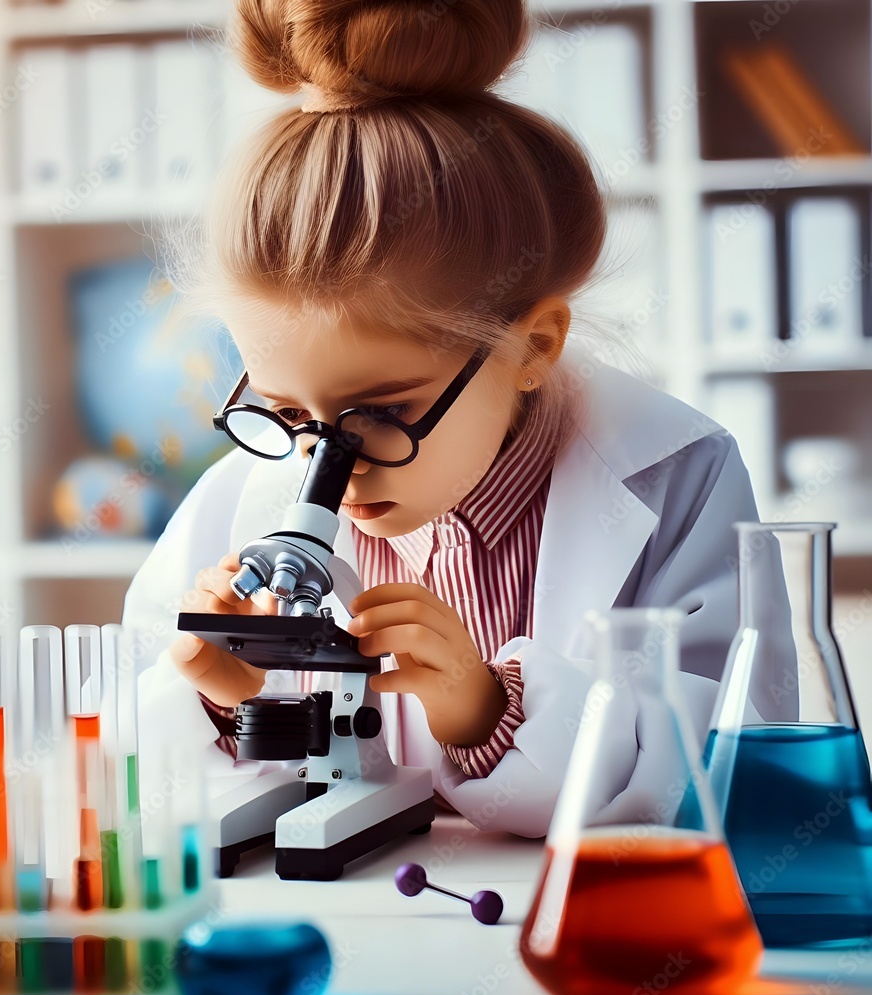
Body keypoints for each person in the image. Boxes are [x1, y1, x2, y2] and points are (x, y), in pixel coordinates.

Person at [122, 0, 779, 838]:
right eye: (286, 412)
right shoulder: (242, 497)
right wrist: (225, 701)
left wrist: (486, 711)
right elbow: (131, 761)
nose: (332, 465)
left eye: (384, 410)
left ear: (533, 345)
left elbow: (732, 770)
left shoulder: (678, 477)